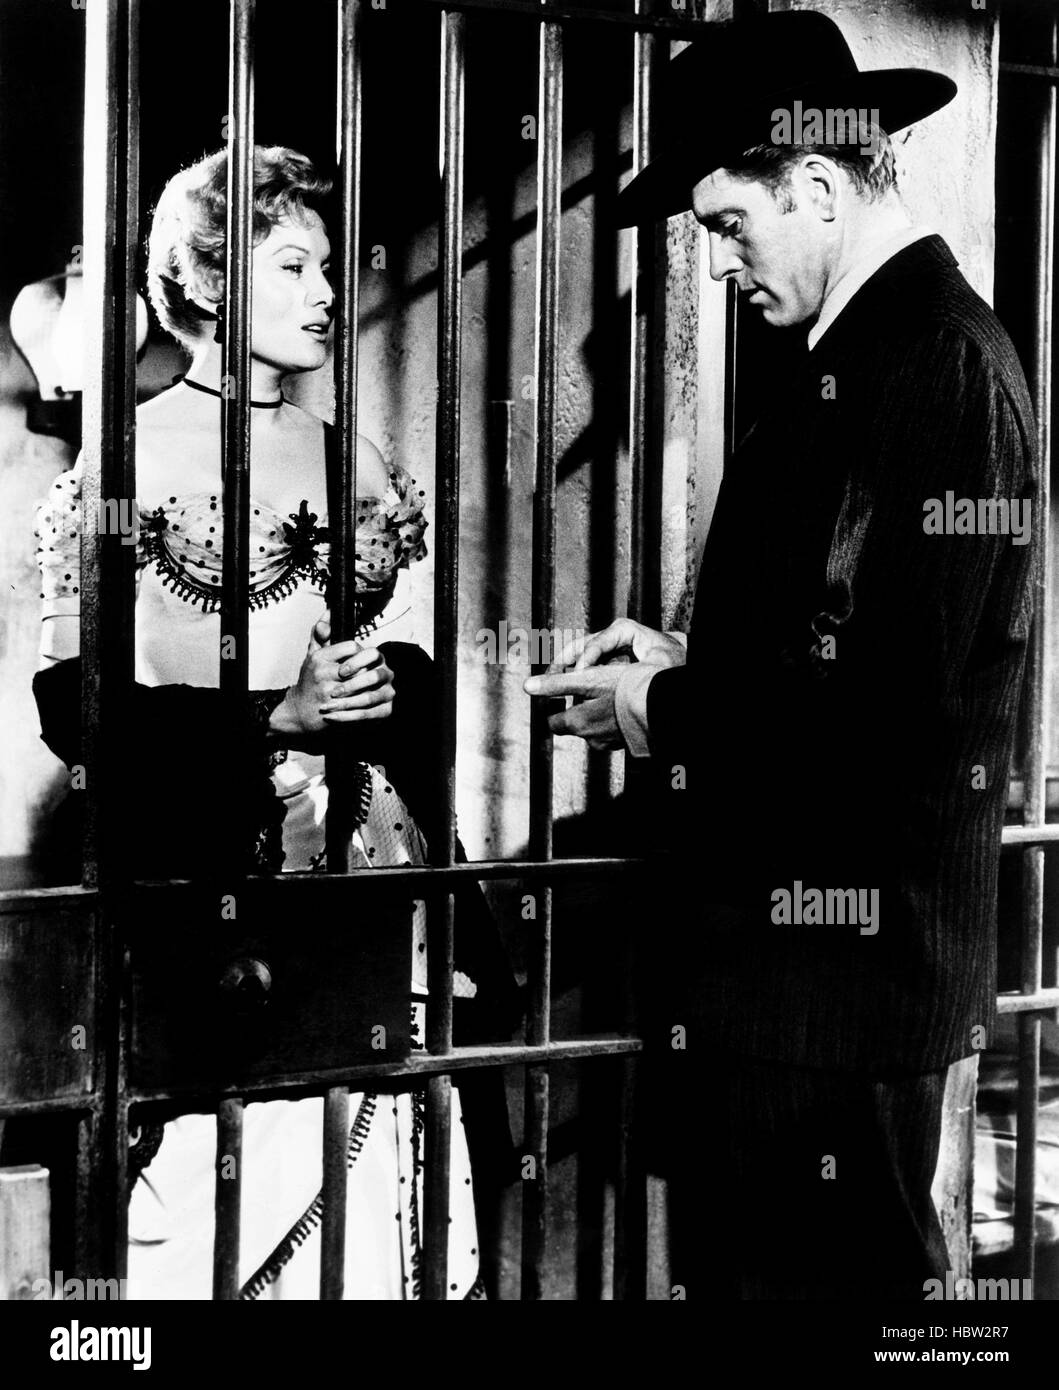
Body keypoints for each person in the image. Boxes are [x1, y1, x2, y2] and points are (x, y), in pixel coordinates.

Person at [526, 11, 1039, 1299]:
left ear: (815, 184)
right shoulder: (871, 357)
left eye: (725, 226)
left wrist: (667, 703)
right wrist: (684, 657)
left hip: (837, 1004)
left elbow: (884, 711)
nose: (716, 266)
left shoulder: (934, 366)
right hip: (797, 996)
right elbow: (838, 640)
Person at [32, 145, 516, 1299]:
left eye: (330, 267)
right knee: (218, 1203)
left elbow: (383, 681)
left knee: (377, 1200)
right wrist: (272, 717)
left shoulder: (356, 466)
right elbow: (74, 712)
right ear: (202, 277)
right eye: (290, 263)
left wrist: (390, 689)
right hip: (196, 884)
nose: (326, 293)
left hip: (363, 872)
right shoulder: (128, 460)